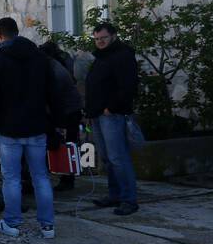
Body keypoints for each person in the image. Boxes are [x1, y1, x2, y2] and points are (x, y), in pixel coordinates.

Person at [0, 18, 56, 238]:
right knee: (40, 176)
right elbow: (51, 92)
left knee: (11, 178)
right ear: (17, 32)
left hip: (9, 128)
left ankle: (12, 223)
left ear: (0, 36)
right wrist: (55, 123)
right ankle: (47, 226)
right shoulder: (40, 58)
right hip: (36, 125)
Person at [84, 22, 140, 216]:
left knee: (118, 157)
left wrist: (111, 108)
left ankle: (128, 199)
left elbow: (129, 86)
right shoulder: (102, 56)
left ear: (113, 36)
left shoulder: (123, 55)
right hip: (98, 114)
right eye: (97, 39)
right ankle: (114, 194)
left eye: (103, 38)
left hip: (111, 115)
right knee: (107, 158)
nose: (100, 42)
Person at [40, 40, 83, 191]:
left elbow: (54, 99)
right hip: (70, 110)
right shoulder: (56, 65)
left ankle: (67, 179)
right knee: (67, 144)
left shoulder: (54, 71)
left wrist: (56, 122)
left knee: (67, 145)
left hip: (68, 111)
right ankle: (66, 177)